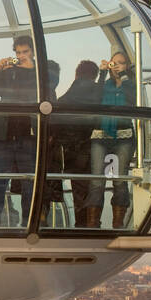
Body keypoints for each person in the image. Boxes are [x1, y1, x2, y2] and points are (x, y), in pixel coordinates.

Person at [0, 34, 38, 227]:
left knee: (30, 182)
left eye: (25, 52)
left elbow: (46, 88)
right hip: (4, 135)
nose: (21, 56)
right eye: (18, 52)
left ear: (33, 52)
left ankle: (28, 222)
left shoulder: (42, 70)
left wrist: (30, 68)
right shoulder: (8, 70)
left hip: (28, 135)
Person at [85, 50, 138, 229]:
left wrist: (123, 75)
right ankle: (93, 223)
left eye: (121, 63)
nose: (116, 66)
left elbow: (133, 98)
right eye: (114, 63)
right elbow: (93, 98)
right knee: (97, 181)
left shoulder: (130, 84)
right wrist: (101, 73)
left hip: (124, 137)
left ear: (127, 66)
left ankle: (118, 223)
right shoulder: (104, 84)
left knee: (119, 180)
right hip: (100, 136)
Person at [52, 60, 101, 227]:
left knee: (78, 188)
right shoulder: (97, 91)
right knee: (92, 186)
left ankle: (80, 223)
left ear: (76, 73)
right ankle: (89, 223)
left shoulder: (69, 94)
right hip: (88, 146)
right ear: (94, 76)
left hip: (66, 148)